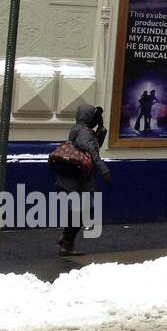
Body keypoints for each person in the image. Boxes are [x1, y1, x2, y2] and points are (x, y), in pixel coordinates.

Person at [56, 104, 110, 257]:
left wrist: (101, 127)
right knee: (82, 211)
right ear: (89, 118)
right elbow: (93, 153)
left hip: (75, 179)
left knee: (79, 211)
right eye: (95, 117)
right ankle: (67, 243)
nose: (96, 119)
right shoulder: (84, 133)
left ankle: (66, 239)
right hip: (77, 181)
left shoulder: (80, 129)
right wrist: (105, 171)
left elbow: (96, 144)